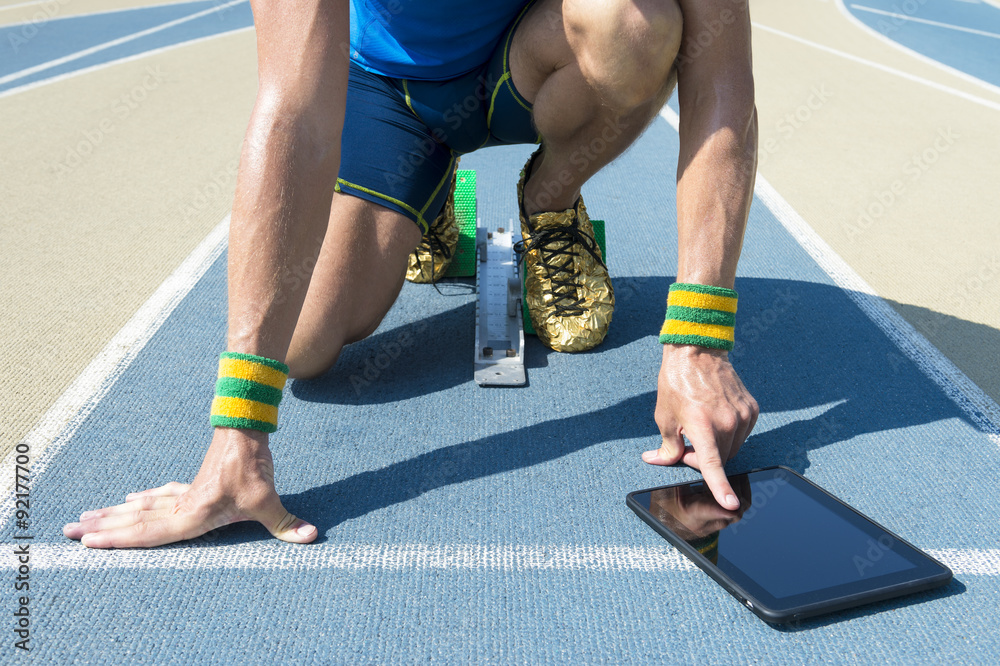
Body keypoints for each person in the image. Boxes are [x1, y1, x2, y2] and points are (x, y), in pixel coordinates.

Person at [63, 0, 760, 548]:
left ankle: (548, 203)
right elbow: (296, 109)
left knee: (637, 22)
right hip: (382, 90)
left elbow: (720, 74)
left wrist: (699, 339)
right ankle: (428, 200)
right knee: (304, 349)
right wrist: (239, 432)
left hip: (523, 60)